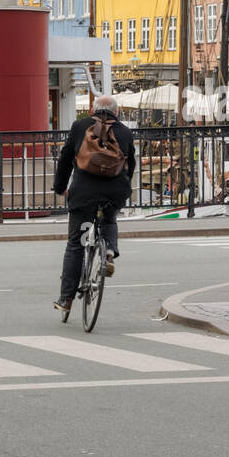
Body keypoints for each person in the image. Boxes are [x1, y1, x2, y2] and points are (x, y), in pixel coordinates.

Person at [50, 95, 135, 314]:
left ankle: (66, 298)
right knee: (109, 217)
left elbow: (66, 158)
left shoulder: (80, 126)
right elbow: (130, 166)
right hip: (114, 192)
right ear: (116, 112)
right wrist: (122, 191)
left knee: (76, 244)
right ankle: (109, 251)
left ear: (92, 109)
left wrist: (60, 187)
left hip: (83, 194)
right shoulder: (125, 132)